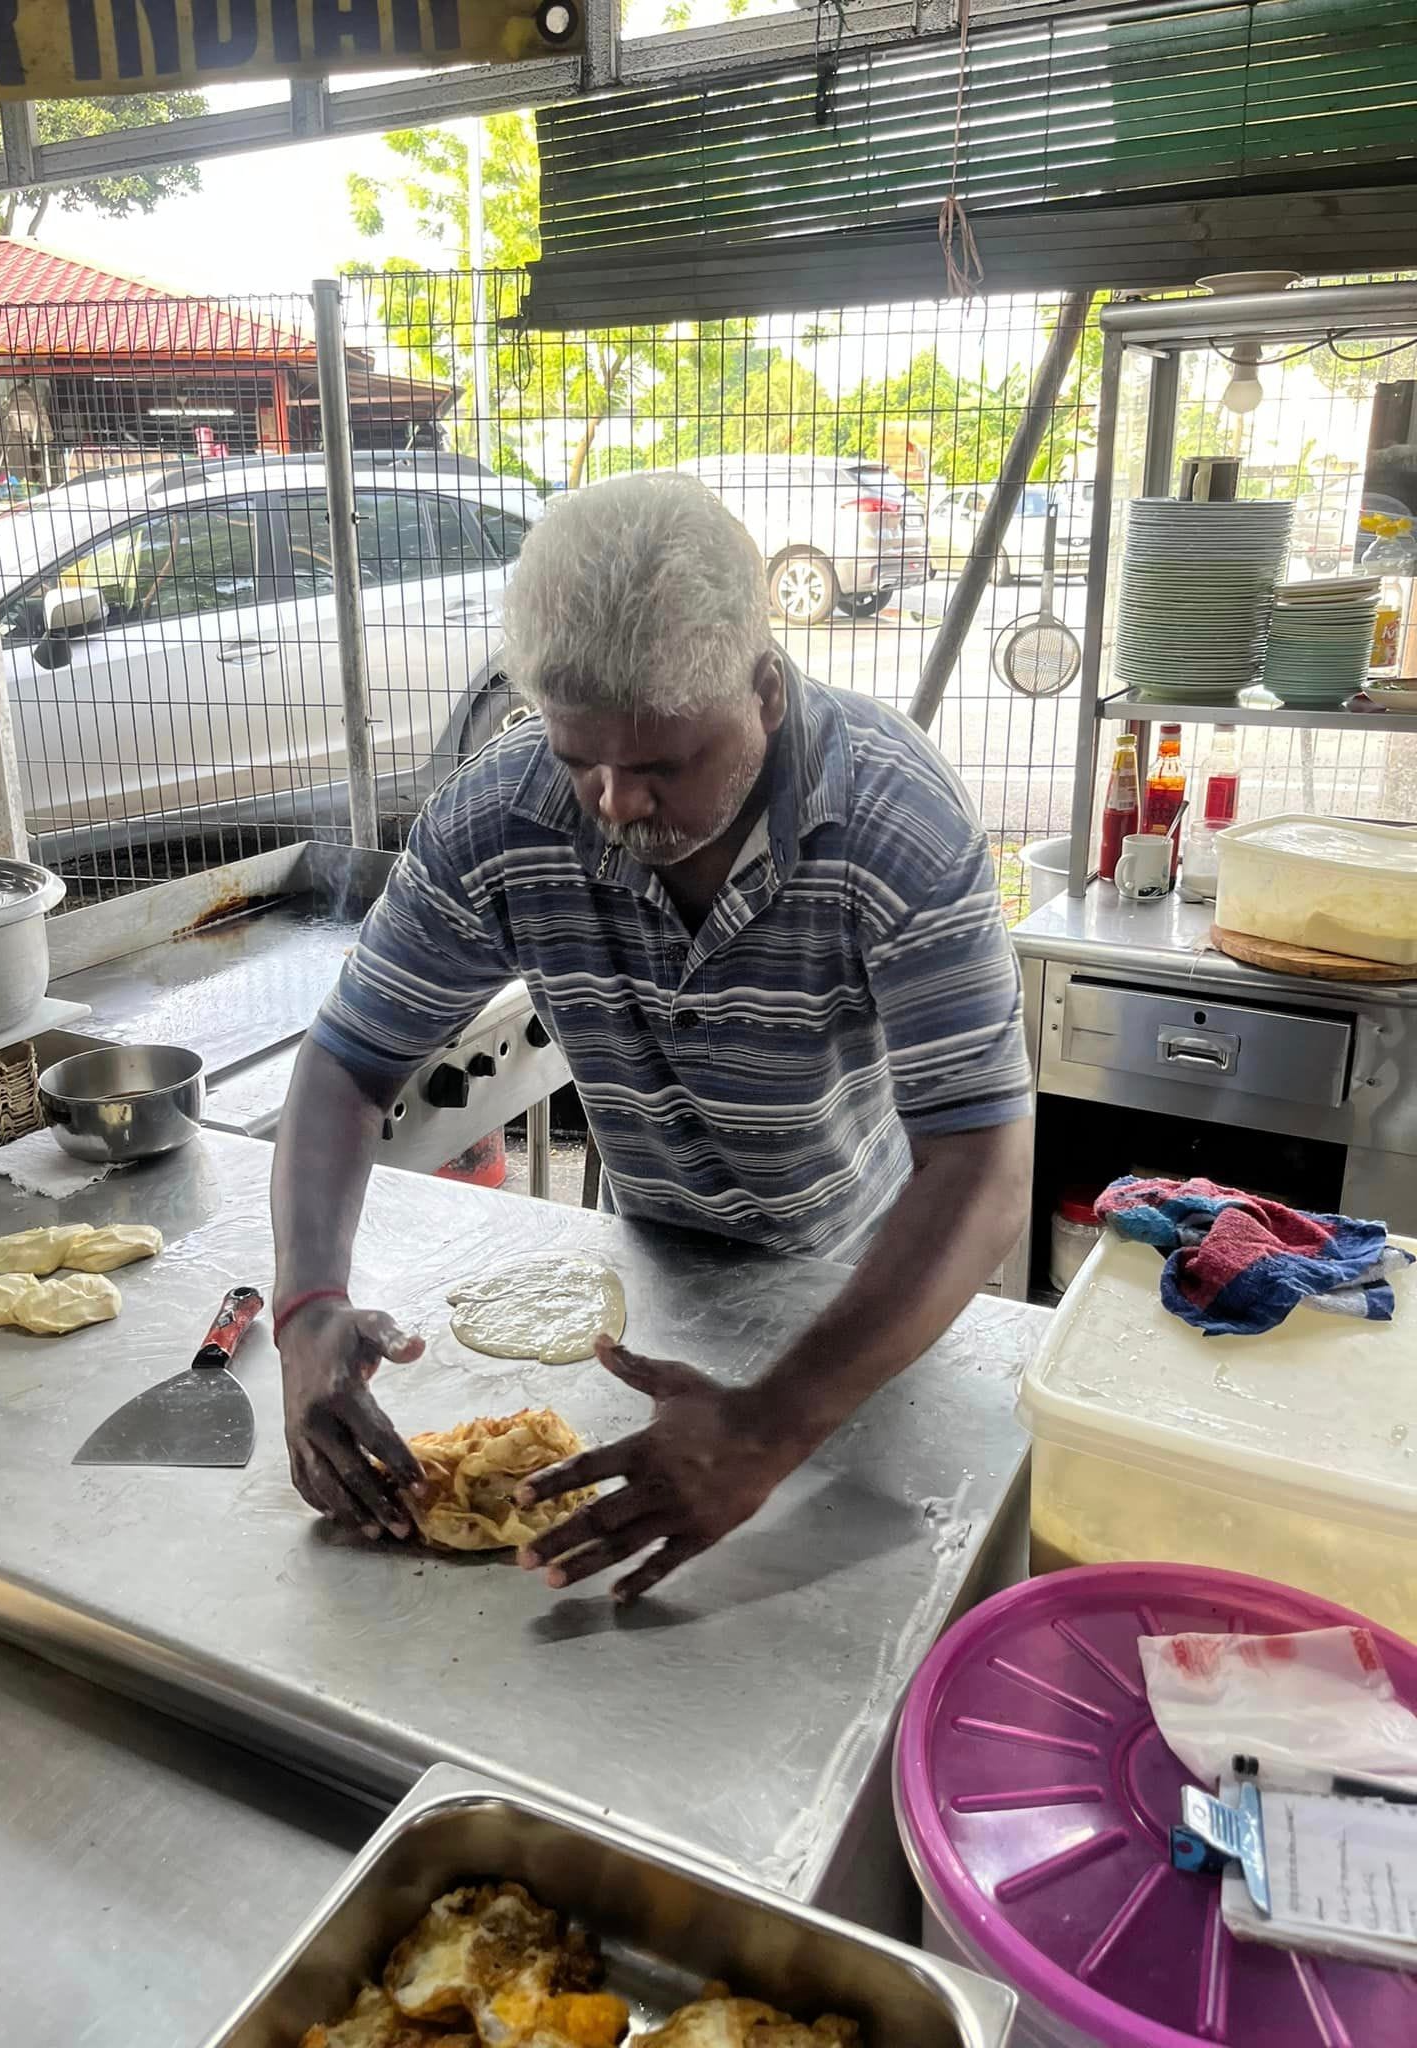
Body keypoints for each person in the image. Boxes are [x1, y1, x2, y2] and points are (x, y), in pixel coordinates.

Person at [271, 472, 1033, 1602]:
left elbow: (983, 1162)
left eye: (664, 764)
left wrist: (769, 1424)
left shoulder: (893, 822)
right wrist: (305, 1305)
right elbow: (348, 1060)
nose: (617, 802)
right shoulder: (503, 816)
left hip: (875, 1286)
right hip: (659, 1267)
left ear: (764, 689)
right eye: (583, 759)